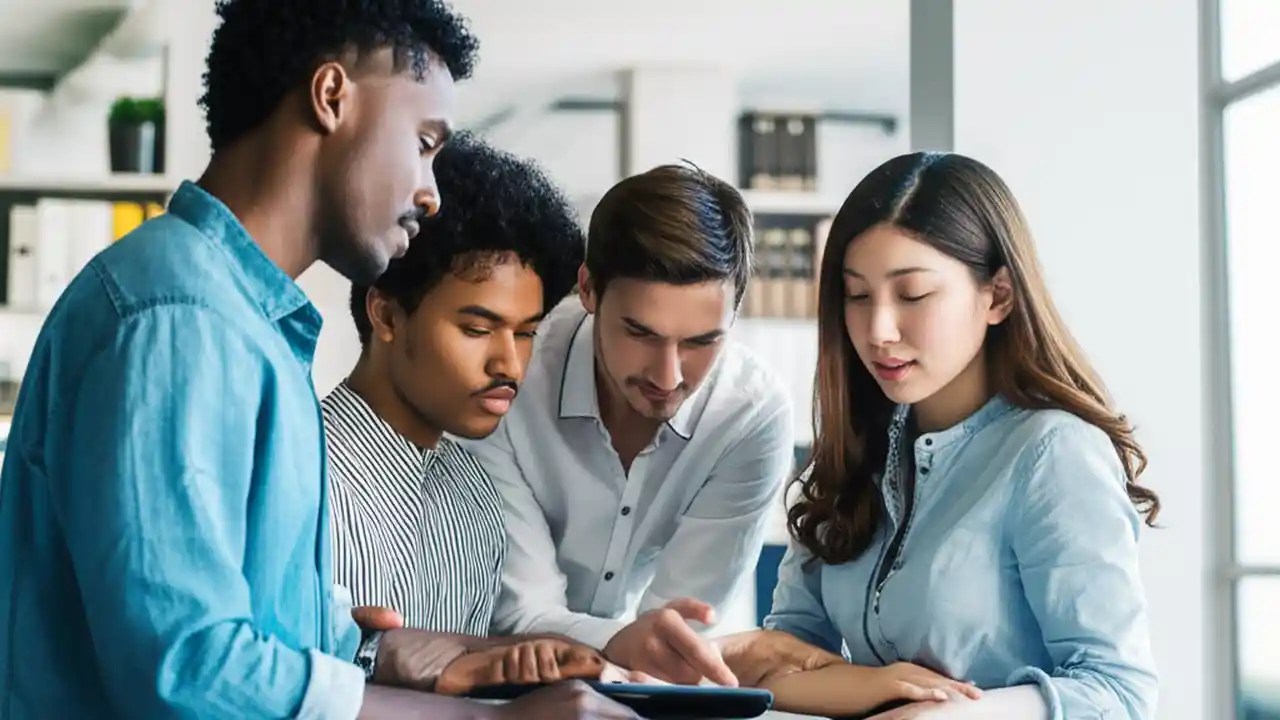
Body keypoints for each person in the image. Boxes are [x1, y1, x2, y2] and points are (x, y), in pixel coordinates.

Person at [0, 1, 637, 718]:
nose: (429, 192)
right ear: (332, 97)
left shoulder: (245, 323)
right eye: (423, 142)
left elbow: (251, 615)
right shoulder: (181, 318)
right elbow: (186, 670)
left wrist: (401, 653)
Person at [715, 152, 1160, 719]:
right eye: (856, 295)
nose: (878, 330)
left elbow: (1120, 692)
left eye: (913, 295)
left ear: (997, 295)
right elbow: (779, 666)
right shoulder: (855, 452)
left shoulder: (1052, 453)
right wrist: (880, 687)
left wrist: (948, 713)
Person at [461, 163, 795, 686]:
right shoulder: (514, 375)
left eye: (701, 341)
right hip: (502, 684)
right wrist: (620, 643)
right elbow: (519, 612)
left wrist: (643, 651)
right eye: (640, 333)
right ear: (589, 290)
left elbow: (675, 640)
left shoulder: (751, 415)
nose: (669, 376)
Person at [326, 133, 582, 634]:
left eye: (526, 333)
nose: (508, 364)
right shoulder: (295, 477)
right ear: (387, 315)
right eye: (477, 330)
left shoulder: (478, 503)